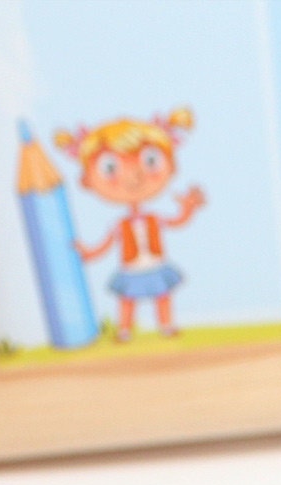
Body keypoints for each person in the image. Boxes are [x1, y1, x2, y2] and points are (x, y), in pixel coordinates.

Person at [54, 108, 205, 340]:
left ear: (171, 165)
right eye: (110, 168)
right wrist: (88, 253)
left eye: (150, 160)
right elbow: (106, 244)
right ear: (87, 181)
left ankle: (166, 325)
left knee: (162, 296)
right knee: (127, 300)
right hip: (132, 269)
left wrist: (189, 208)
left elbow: (177, 221)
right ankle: (124, 329)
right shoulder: (120, 225)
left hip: (155, 265)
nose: (134, 177)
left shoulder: (155, 218)